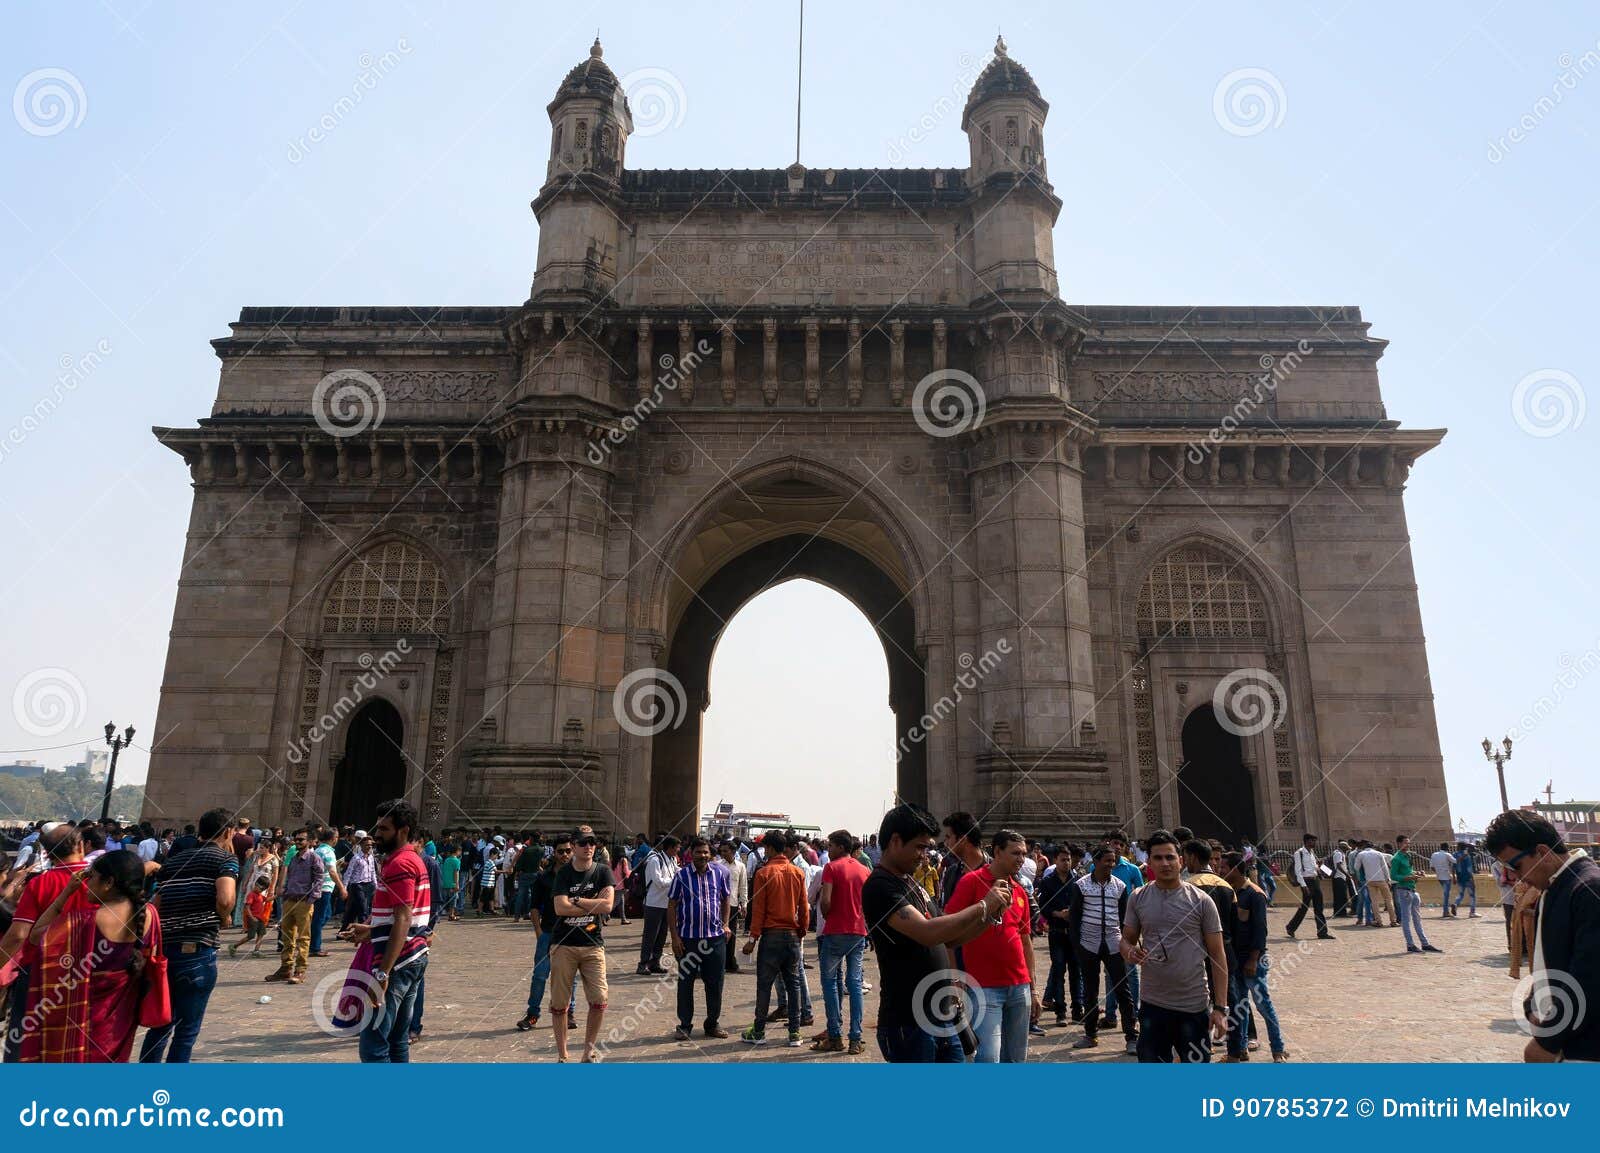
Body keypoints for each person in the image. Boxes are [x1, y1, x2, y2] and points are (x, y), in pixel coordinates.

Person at [862, 803, 1012, 1063]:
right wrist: (983, 905)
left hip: (942, 1016)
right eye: (919, 847)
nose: (924, 855)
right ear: (896, 841)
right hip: (909, 1023)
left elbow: (950, 936)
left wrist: (990, 915)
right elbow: (927, 932)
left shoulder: (911, 883)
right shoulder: (880, 886)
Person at [19, 849, 165, 1062]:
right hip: (121, 1022)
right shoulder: (150, 915)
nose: (86, 883)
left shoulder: (83, 921)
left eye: (92, 877)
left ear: (108, 882)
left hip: (83, 1022)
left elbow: (36, 935)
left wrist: (67, 892)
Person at [1485, 809, 1600, 1062]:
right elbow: (1548, 961)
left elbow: (1590, 979)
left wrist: (1547, 1042)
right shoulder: (1555, 886)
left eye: (1516, 866)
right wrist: (1533, 1004)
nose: (1514, 876)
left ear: (1543, 852)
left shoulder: (1588, 889)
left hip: (1587, 1049)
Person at [1119, 830, 1229, 1063]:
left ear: (1181, 861)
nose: (1165, 863)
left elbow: (1218, 955)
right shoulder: (1138, 898)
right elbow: (1125, 939)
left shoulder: (1201, 901)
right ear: (1148, 862)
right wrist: (1129, 951)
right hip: (1153, 1005)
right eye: (1158, 858)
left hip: (1194, 1006)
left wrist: (1220, 1008)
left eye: (1170, 857)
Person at [139, 807, 238, 1063]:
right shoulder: (225, 860)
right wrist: (224, 916)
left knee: (161, 1023)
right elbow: (226, 899)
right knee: (186, 1031)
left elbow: (156, 907)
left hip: (166, 952)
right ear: (228, 832)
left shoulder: (174, 861)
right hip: (197, 952)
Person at [346, 801, 431, 1062]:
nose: (377, 834)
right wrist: (372, 931)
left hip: (397, 963)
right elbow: (407, 917)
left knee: (373, 1045)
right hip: (413, 957)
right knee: (396, 1040)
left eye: (384, 828)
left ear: (403, 830)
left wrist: (383, 971)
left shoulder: (400, 865)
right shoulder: (410, 860)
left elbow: (404, 919)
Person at [945, 828, 1039, 1062]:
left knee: (1017, 1059)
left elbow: (1026, 940)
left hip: (1019, 987)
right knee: (988, 1058)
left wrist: (1033, 988)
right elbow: (947, 931)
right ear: (997, 851)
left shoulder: (1019, 890)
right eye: (1015, 853)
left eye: (1024, 854)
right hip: (984, 988)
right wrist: (956, 979)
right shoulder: (971, 882)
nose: (1022, 859)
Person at [1, 823, 92, 1063]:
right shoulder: (100, 881)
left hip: (38, 972)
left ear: (47, 854)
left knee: (22, 1038)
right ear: (82, 845)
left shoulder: (41, 883)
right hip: (85, 969)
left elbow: (18, 935)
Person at [548, 829, 614, 1062]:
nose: (589, 847)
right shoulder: (564, 873)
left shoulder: (603, 871)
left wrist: (577, 900)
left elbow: (607, 907)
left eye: (593, 842)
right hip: (563, 944)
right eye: (584, 843)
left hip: (593, 944)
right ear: (574, 845)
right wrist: (591, 904)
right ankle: (563, 1055)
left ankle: (588, 1051)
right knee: (559, 1002)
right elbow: (560, 909)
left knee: (599, 999)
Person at [740, 831, 809, 1047]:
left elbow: (758, 910)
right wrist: (802, 931)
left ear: (769, 849)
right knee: (794, 985)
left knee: (764, 985)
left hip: (770, 937)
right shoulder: (797, 872)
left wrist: (752, 938)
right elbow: (804, 907)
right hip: (792, 936)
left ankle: (759, 1031)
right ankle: (794, 1033)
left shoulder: (763, 873)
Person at [1066, 845, 1136, 1052]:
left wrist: (1127, 942)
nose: (1110, 865)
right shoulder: (1081, 885)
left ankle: (1132, 1036)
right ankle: (1090, 1034)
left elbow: (1126, 918)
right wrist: (1078, 945)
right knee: (1090, 991)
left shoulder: (1120, 886)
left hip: (1114, 944)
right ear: (1095, 862)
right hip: (1088, 944)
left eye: (1113, 861)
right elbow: (1075, 918)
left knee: (1123, 991)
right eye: (1107, 861)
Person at [1220, 851, 1288, 1062]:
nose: (1220, 870)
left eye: (1223, 867)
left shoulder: (1254, 894)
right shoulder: (1231, 892)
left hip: (1253, 959)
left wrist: (1252, 959)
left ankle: (1277, 1049)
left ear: (1235, 869)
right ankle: (1240, 1049)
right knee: (1239, 1006)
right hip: (1236, 959)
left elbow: (1260, 930)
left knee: (1263, 1004)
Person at [667, 835, 732, 1041]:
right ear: (690, 854)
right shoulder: (681, 876)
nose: (702, 856)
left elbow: (725, 899)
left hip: (715, 939)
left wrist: (725, 924)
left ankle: (712, 1023)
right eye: (698, 852)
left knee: (715, 983)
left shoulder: (721, 873)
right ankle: (684, 1025)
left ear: (710, 854)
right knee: (686, 983)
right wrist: (674, 937)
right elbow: (672, 906)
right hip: (688, 940)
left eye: (705, 852)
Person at [814, 828, 870, 1054]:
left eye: (831, 845)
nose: (828, 849)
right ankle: (855, 1038)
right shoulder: (865, 870)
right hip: (857, 932)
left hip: (836, 931)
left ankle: (835, 1035)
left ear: (840, 846)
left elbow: (825, 900)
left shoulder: (831, 867)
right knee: (854, 984)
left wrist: (828, 915)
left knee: (829, 983)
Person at [516, 833, 577, 1033]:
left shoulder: (578, 876)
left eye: (569, 851)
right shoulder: (544, 878)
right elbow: (534, 907)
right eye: (561, 851)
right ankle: (533, 1013)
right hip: (548, 932)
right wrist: (538, 931)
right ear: (554, 853)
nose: (565, 855)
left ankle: (569, 1012)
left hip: (571, 934)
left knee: (569, 977)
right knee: (540, 976)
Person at [267, 828, 324, 984]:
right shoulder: (293, 858)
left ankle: (300, 970)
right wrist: (284, 893)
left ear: (310, 841)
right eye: (296, 839)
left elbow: (319, 880)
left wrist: (312, 899)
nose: (297, 842)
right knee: (287, 936)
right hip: (289, 900)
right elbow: (289, 878)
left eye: (301, 840)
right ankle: (285, 968)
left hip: (304, 902)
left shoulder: (314, 858)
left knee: (303, 937)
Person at [1035, 844, 1084, 1025]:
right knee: (1058, 970)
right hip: (1056, 932)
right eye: (1063, 859)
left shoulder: (1078, 881)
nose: (1066, 863)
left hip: (1074, 933)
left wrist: (1072, 912)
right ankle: (1061, 1011)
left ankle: (1078, 1009)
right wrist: (1057, 914)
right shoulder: (1047, 883)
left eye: (1068, 859)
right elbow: (1043, 907)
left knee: (1076, 971)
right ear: (1055, 860)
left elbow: (1083, 905)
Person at [1390, 834, 1441, 955]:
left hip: (1412, 889)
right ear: (1399, 844)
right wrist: (1408, 877)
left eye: (1408, 843)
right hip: (1403, 890)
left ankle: (1425, 943)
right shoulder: (1396, 858)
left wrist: (1416, 873)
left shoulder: (1407, 856)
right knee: (1406, 920)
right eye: (1405, 843)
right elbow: (1393, 876)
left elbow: (1408, 871)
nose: (1408, 845)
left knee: (1417, 919)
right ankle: (1410, 944)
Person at [637, 835, 679, 975]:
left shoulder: (672, 860)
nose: (678, 850)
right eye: (676, 848)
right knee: (650, 935)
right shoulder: (654, 860)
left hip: (666, 904)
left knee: (661, 936)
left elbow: (677, 871)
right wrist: (676, 880)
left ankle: (655, 962)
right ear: (670, 848)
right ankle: (643, 964)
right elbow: (659, 882)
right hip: (653, 903)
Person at [1285, 832, 1333, 940]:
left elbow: (1314, 867)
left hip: (1315, 881)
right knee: (1305, 907)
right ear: (1307, 841)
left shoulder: (1312, 853)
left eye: (1314, 840)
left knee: (1319, 907)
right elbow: (1298, 871)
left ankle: (1322, 932)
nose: (1314, 842)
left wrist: (1322, 868)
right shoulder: (1299, 853)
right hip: (1306, 882)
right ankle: (1291, 927)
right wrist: (1303, 886)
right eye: (1312, 840)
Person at [717, 840, 748, 973]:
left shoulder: (741, 866)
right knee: (718, 934)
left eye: (726, 851)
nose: (723, 853)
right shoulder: (717, 865)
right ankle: (719, 962)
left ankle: (730, 963)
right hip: (718, 904)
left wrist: (744, 904)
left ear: (733, 851)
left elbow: (743, 886)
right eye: (721, 851)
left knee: (731, 934)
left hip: (733, 904)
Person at [339, 831, 377, 933]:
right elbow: (348, 873)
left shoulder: (371, 857)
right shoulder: (356, 858)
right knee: (363, 910)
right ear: (361, 845)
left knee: (353, 910)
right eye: (366, 845)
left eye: (370, 845)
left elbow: (373, 872)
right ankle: (363, 933)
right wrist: (344, 888)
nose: (369, 847)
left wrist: (376, 886)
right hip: (357, 886)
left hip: (369, 886)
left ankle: (342, 931)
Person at [230, 874, 273, 956]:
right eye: (257, 886)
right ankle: (234, 946)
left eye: (261, 889)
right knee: (251, 936)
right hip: (253, 919)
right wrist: (252, 917)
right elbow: (247, 907)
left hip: (260, 919)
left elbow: (267, 899)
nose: (258, 889)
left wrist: (276, 895)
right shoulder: (251, 895)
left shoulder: (260, 895)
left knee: (261, 934)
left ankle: (256, 951)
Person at [1357, 839, 1397, 927]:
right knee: (1388, 900)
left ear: (1364, 847)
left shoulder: (1361, 854)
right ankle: (1393, 921)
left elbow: (1356, 867)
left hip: (1369, 880)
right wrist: (1388, 879)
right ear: (1372, 847)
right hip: (1381, 879)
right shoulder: (1378, 854)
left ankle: (1379, 921)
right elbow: (1385, 867)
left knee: (1374, 902)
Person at [1451, 843, 1479, 917]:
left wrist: (1454, 877)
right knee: (1472, 895)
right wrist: (1472, 879)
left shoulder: (1454, 854)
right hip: (1467, 877)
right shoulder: (1467, 856)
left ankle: (1455, 904)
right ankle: (1472, 912)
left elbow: (1453, 867)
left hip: (1459, 877)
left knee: (1461, 894)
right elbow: (1469, 869)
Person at [1430, 842, 1457, 916]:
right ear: (1447, 848)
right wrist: (1464, 855)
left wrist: (1438, 871)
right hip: (1446, 876)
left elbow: (1432, 867)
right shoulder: (1447, 854)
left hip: (1439, 877)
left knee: (1446, 893)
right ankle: (1446, 911)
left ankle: (1452, 904)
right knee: (1446, 894)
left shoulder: (1434, 854)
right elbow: (1455, 861)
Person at [1330, 839, 1352, 918]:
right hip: (1339, 877)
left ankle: (1339, 912)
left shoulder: (1339, 853)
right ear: (1343, 848)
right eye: (1346, 848)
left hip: (1340, 877)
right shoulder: (1339, 854)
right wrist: (1347, 874)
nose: (1347, 850)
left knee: (1339, 896)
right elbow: (1339, 866)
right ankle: (1341, 913)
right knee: (1341, 896)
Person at [440, 845, 462, 921]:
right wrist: (457, 884)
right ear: (457, 851)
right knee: (453, 900)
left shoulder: (446, 860)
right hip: (452, 884)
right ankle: (451, 914)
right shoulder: (457, 861)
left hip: (445, 883)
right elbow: (456, 873)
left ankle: (439, 915)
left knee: (444, 900)